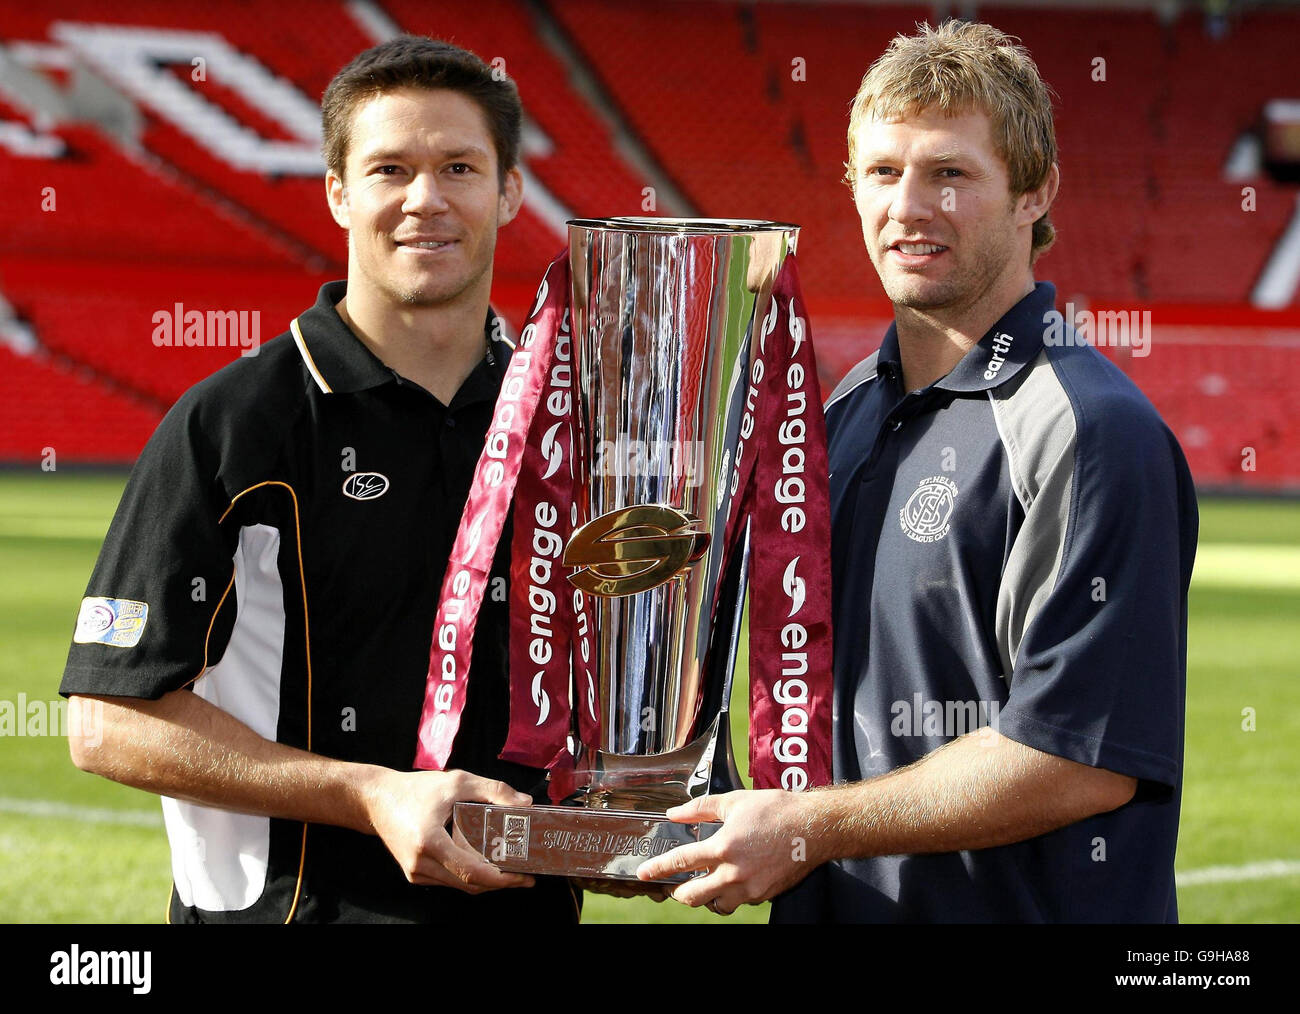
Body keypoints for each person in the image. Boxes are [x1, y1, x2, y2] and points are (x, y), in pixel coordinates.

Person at [638, 19, 1197, 923]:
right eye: (885, 172)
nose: (909, 206)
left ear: (1034, 192)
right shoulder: (840, 415)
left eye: (950, 173)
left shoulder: (1091, 430)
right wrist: (685, 798)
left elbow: (1079, 758)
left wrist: (807, 829)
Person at [60, 36, 580, 924]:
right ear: (339, 193)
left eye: (459, 165)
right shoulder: (234, 423)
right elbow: (108, 721)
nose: (426, 199)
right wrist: (369, 794)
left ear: (509, 192)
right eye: (389, 169)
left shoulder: (564, 421)